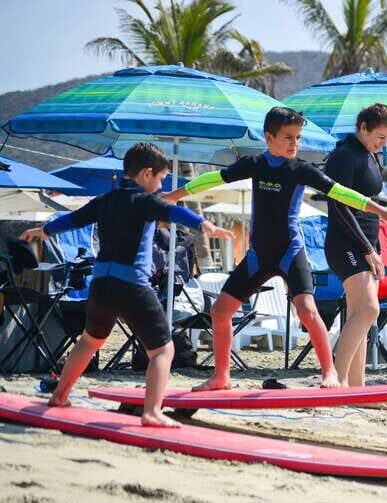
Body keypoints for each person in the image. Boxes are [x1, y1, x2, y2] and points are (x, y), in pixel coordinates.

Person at [163, 107, 387, 391]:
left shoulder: (301, 169)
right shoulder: (253, 164)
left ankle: (329, 373)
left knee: (306, 310)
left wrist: (381, 211)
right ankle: (221, 376)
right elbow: (212, 180)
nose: (295, 144)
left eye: (299, 138)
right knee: (220, 311)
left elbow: (341, 193)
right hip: (259, 255)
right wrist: (172, 196)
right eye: (288, 137)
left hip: (290, 252)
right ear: (268, 137)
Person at [20, 142, 234, 427]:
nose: (160, 186)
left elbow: (73, 219)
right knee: (162, 351)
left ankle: (60, 395)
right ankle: (152, 412)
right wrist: (205, 225)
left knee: (90, 340)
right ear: (146, 174)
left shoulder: (104, 200)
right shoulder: (145, 201)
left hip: (101, 285)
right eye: (159, 179)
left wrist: (43, 230)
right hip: (131, 285)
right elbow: (175, 213)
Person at [324, 103, 387, 387]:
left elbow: (369, 204)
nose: (384, 143)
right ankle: (337, 380)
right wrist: (367, 248)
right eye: (381, 137)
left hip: (364, 242)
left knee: (361, 313)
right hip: (346, 242)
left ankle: (357, 387)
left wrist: (376, 244)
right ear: (363, 128)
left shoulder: (368, 155)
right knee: (369, 310)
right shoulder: (345, 156)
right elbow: (339, 206)